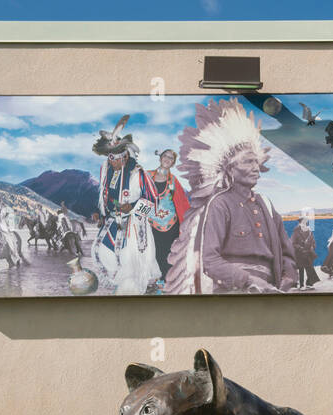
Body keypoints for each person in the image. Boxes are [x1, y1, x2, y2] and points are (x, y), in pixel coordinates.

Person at [164, 97, 297, 295]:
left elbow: (287, 253)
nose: (256, 168)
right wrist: (248, 281)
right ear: (230, 169)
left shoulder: (266, 205)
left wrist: (289, 276)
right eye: (248, 162)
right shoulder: (220, 204)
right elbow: (210, 260)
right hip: (233, 293)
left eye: (256, 163)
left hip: (270, 291)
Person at [92, 115, 160, 295]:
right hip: (113, 222)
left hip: (135, 227)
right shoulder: (107, 172)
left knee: (132, 262)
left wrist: (134, 206)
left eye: (116, 160)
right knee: (104, 251)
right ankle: (120, 285)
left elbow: (154, 203)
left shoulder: (139, 174)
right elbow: (104, 197)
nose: (113, 163)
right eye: (110, 159)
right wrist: (100, 213)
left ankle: (137, 289)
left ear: (125, 156)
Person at [149, 148, 189, 289]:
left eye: (171, 158)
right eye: (165, 156)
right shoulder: (147, 176)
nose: (167, 159)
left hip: (171, 223)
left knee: (168, 253)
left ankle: (166, 282)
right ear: (160, 158)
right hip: (150, 221)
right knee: (153, 251)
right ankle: (153, 279)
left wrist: (186, 223)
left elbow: (182, 202)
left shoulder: (173, 180)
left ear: (173, 163)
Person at [291, 217, 320, 288]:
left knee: (309, 268)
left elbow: (313, 241)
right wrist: (300, 248)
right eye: (303, 222)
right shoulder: (296, 232)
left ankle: (309, 283)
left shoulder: (309, 231)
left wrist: (313, 246)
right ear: (300, 223)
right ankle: (301, 285)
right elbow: (293, 243)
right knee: (301, 269)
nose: (305, 224)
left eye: (306, 222)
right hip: (300, 253)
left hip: (308, 252)